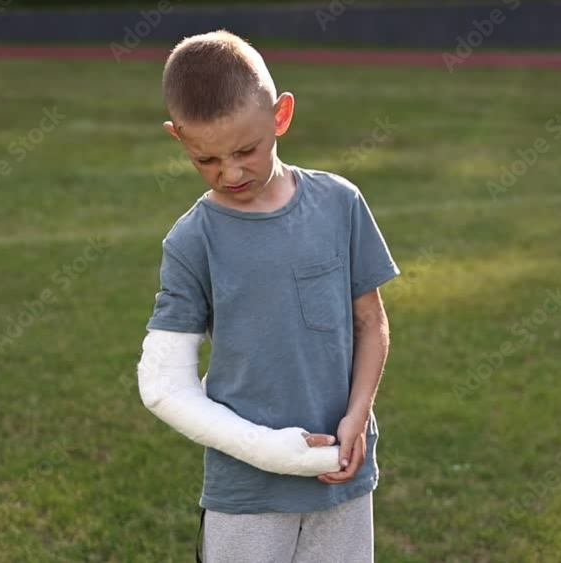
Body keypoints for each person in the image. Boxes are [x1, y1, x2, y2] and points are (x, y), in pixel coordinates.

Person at [136, 29, 400, 563]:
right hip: (246, 493)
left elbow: (370, 321)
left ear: (280, 117)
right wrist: (267, 451)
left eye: (246, 150)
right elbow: (165, 386)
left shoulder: (340, 204)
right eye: (205, 160)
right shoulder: (191, 241)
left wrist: (357, 414)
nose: (230, 172)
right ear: (179, 138)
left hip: (343, 473)